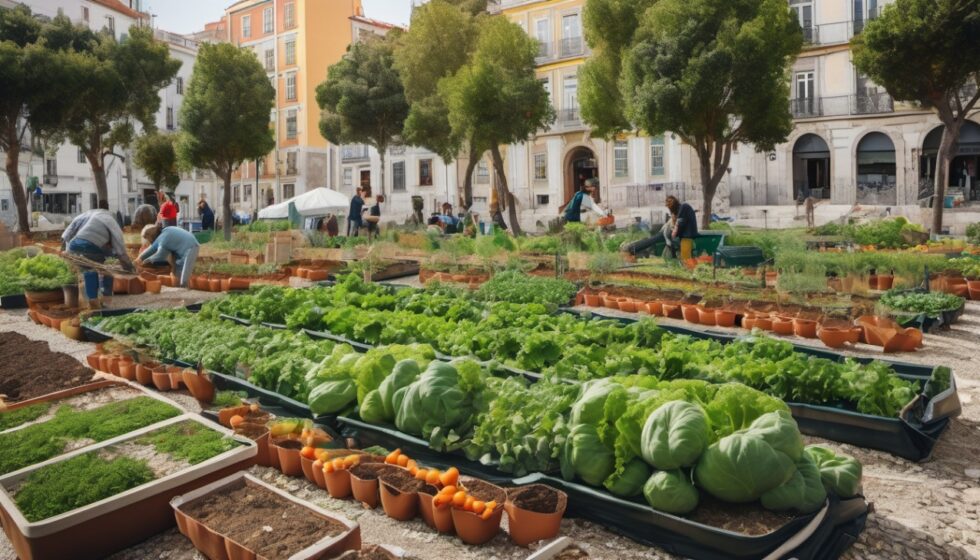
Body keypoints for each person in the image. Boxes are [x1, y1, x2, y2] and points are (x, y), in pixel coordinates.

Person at [63, 202, 135, 307]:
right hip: (90, 246)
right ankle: (106, 300)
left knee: (89, 271)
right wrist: (129, 268)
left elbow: (66, 235)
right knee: (105, 270)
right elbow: (120, 250)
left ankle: (93, 300)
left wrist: (68, 252)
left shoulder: (84, 215)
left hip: (74, 245)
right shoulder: (111, 220)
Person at [665, 195, 698, 260]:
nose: (669, 207)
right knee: (687, 257)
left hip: (687, 236)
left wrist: (674, 233)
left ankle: (689, 269)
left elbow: (680, 223)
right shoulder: (681, 209)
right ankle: (690, 268)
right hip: (686, 236)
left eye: (669, 205)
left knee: (686, 258)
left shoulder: (683, 207)